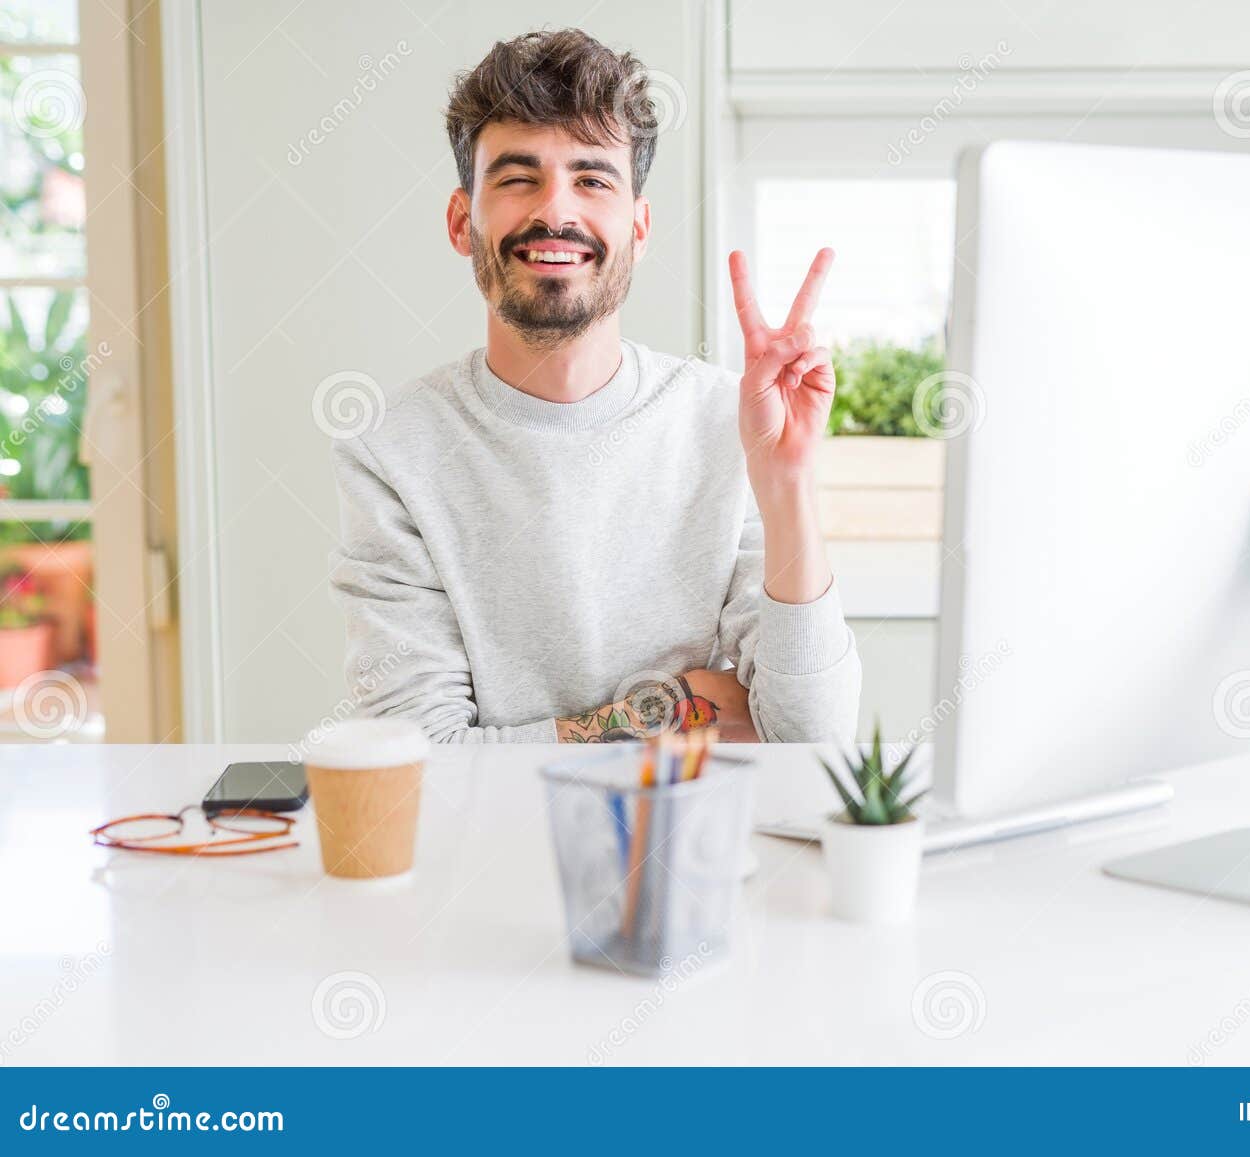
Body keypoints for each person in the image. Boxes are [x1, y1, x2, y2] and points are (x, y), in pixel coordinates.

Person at [329, 28, 861, 744]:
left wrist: (786, 482)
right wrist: (664, 710)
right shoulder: (392, 450)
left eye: (592, 178)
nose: (556, 211)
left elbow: (811, 736)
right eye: (518, 178)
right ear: (464, 221)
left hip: (687, 845)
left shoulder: (723, 420)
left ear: (638, 229)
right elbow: (423, 762)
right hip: (488, 853)